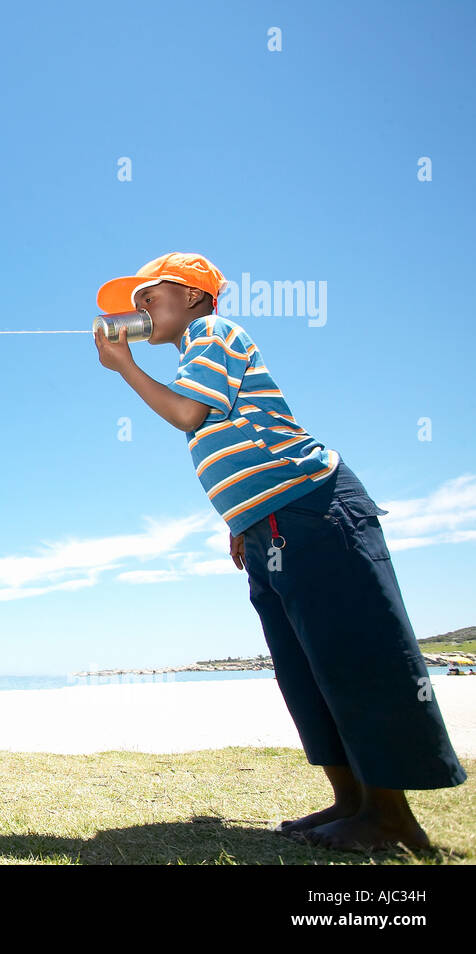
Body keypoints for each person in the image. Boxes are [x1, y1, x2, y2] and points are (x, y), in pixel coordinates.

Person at [92, 252, 466, 853]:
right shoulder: (195, 352)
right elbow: (230, 441)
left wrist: (124, 366)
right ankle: (352, 802)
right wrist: (244, 520)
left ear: (192, 296)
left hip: (314, 510)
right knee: (304, 668)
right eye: (132, 302)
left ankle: (392, 819)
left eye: (147, 295)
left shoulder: (213, 332)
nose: (137, 309)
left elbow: (189, 414)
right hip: (270, 526)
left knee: (351, 656)